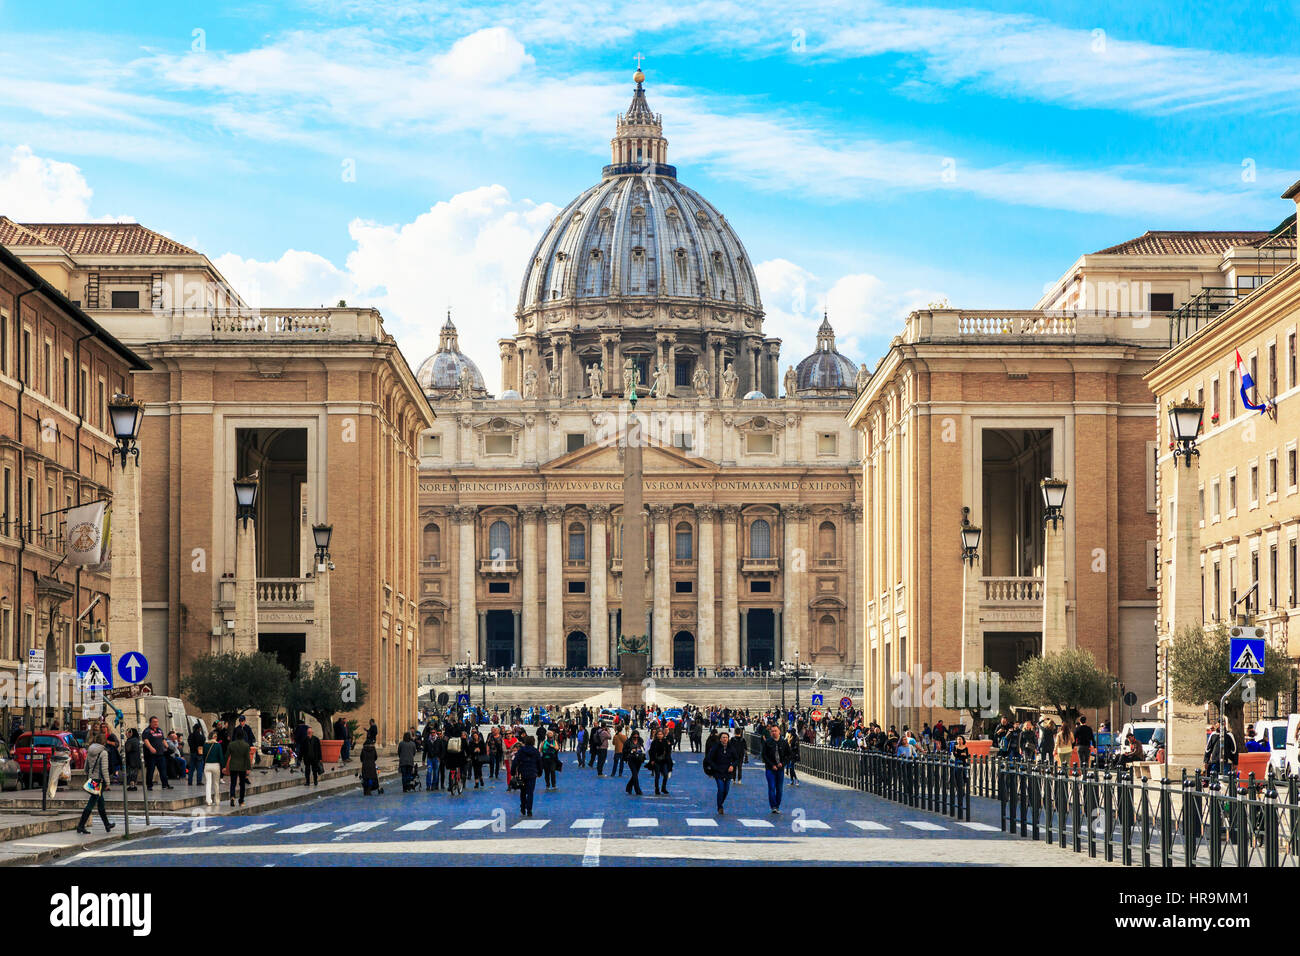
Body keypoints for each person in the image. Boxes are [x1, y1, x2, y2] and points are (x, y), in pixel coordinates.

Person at [76, 732, 115, 835]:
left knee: (100, 802)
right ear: (104, 742)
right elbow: (104, 769)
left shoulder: (90, 751)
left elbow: (86, 767)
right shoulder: (103, 752)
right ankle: (80, 825)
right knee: (92, 802)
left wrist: (90, 775)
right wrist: (108, 782)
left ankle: (107, 825)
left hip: (92, 779)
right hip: (99, 781)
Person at [761, 724, 791, 814]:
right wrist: (771, 765)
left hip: (780, 769)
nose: (774, 732)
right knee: (771, 787)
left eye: (775, 731)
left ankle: (777, 805)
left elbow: (788, 755)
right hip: (770, 769)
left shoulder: (784, 742)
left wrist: (783, 763)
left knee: (779, 788)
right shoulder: (767, 742)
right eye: (772, 731)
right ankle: (773, 806)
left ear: (779, 732)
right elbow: (764, 755)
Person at [512, 734, 543, 816]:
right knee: (530, 792)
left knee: (523, 791)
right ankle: (529, 809)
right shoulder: (535, 751)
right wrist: (540, 772)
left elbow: (515, 761)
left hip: (523, 772)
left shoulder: (521, 750)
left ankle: (522, 807)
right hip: (532, 773)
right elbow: (539, 762)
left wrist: (513, 773)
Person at [705, 731, 735, 814]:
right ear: (720, 739)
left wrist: (733, 766)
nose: (725, 739)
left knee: (726, 790)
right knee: (721, 789)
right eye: (723, 737)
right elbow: (709, 758)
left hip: (728, 771)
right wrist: (715, 767)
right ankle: (719, 806)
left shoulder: (731, 747)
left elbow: (736, 759)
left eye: (726, 737)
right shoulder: (716, 747)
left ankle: (721, 802)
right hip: (718, 771)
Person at [141, 716, 171, 790]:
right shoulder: (147, 731)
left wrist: (167, 746)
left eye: (157, 722)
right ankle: (149, 786)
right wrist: (151, 748)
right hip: (151, 755)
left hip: (161, 754)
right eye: (154, 722)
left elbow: (162, 739)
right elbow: (146, 740)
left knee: (163, 770)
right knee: (150, 770)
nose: (156, 723)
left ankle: (165, 785)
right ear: (150, 723)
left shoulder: (159, 730)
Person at [225, 729, 252, 807]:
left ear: (236, 736)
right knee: (242, 784)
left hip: (233, 766)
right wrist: (248, 768)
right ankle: (241, 801)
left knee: (233, 783)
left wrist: (223, 766)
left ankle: (232, 797)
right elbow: (247, 758)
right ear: (243, 736)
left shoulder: (231, 744)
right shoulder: (246, 745)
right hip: (242, 767)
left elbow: (227, 755)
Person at [648, 729, 673, 795]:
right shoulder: (654, 742)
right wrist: (652, 760)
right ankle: (657, 789)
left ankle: (663, 788)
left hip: (664, 761)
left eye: (661, 734)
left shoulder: (665, 742)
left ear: (663, 735)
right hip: (656, 761)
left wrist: (668, 759)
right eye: (658, 734)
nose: (660, 735)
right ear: (656, 735)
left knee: (665, 775)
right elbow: (651, 751)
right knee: (657, 775)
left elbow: (668, 751)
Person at [203, 730, 224, 806]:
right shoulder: (218, 745)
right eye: (216, 736)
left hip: (207, 765)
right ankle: (217, 800)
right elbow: (221, 757)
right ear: (214, 737)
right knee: (216, 783)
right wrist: (223, 766)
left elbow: (204, 756)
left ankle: (208, 801)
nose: (217, 738)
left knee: (208, 783)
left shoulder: (205, 745)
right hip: (216, 765)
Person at [623, 731, 645, 796]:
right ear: (632, 736)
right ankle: (637, 790)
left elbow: (643, 749)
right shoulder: (628, 742)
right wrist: (631, 750)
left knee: (635, 775)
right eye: (634, 737)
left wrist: (640, 749)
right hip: (631, 759)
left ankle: (629, 787)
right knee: (635, 774)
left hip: (639, 759)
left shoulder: (640, 741)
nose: (636, 738)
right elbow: (624, 751)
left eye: (637, 736)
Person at [187, 721, 206, 786]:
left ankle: (190, 782)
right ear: (199, 729)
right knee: (199, 768)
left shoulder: (190, 736)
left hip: (192, 753)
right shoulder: (201, 737)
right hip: (199, 754)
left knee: (191, 769)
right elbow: (203, 743)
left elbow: (189, 743)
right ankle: (199, 782)